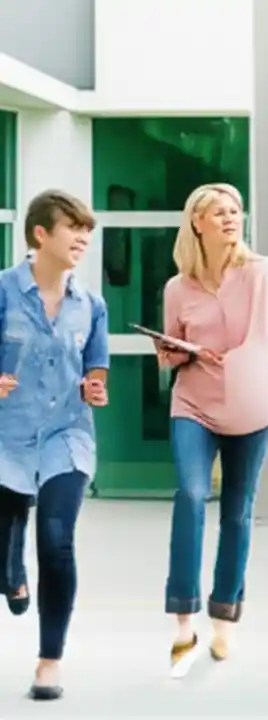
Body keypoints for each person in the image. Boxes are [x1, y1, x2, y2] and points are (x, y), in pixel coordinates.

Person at [156, 183, 268, 678]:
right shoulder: (177, 287)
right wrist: (175, 352)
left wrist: (223, 359)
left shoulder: (257, 272)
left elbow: (263, 338)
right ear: (198, 223)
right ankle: (183, 619)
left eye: (236, 210)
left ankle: (224, 620)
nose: (231, 218)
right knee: (191, 495)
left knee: (237, 511)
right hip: (193, 400)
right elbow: (170, 353)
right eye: (220, 212)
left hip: (251, 405)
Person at [0, 190, 109, 701]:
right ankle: (9, 564)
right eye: (73, 227)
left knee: (57, 539)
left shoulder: (91, 305)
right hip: (6, 437)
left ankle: (49, 660)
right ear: (41, 234)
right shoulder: (2, 291)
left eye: (88, 229)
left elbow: (96, 365)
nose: (84, 237)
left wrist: (95, 386)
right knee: (8, 536)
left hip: (67, 435)